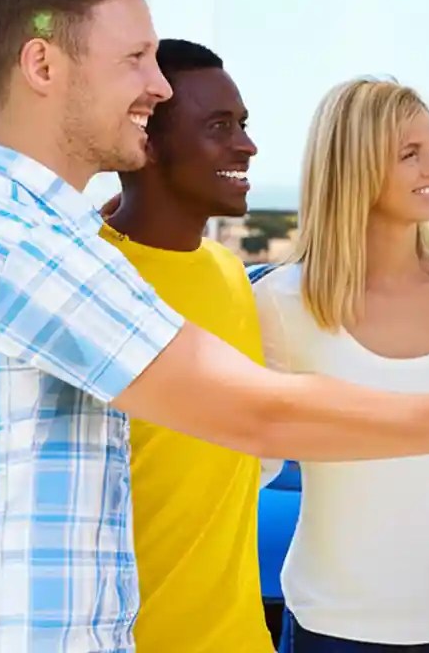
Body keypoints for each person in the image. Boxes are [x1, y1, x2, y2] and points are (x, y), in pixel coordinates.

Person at [0, 0, 429, 650]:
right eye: (134, 59)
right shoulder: (29, 249)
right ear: (43, 64)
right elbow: (258, 415)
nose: (160, 85)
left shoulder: (0, 226)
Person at [253, 77, 429, 653]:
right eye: (411, 153)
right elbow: (250, 464)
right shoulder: (282, 302)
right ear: (355, 167)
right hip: (333, 625)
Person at [97, 38, 277, 652]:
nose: (247, 145)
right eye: (218, 126)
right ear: (145, 140)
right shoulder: (89, 277)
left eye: (243, 124)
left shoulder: (231, 274)